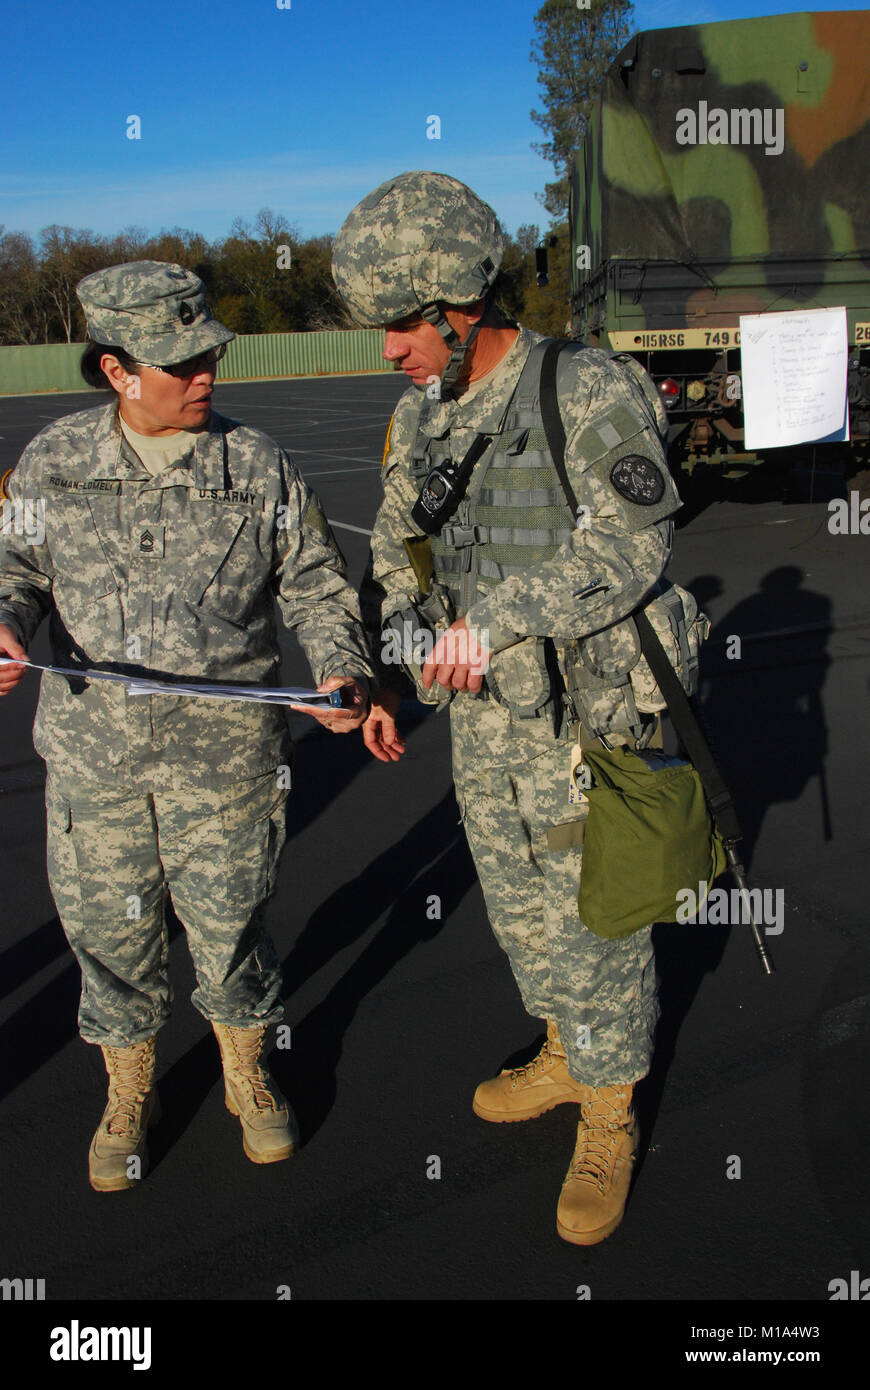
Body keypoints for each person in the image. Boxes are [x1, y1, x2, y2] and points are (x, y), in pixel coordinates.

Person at [331, 171, 682, 1246]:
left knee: (597, 916)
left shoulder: (584, 388)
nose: (389, 351)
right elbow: (395, 559)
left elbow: (635, 543)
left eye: (400, 326)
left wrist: (493, 620)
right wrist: (394, 667)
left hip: (584, 716)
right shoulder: (419, 418)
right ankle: (570, 1053)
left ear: (456, 303)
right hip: (485, 722)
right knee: (519, 910)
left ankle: (612, 1108)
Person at [0, 261, 373, 1192]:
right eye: (179, 364)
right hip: (97, 760)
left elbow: (318, 584)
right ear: (117, 371)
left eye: (209, 355)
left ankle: (246, 1070)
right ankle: (129, 1092)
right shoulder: (54, 462)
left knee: (232, 924)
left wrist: (342, 666)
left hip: (228, 766)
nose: (205, 375)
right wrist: (4, 618)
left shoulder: (257, 465)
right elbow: (16, 567)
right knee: (108, 933)